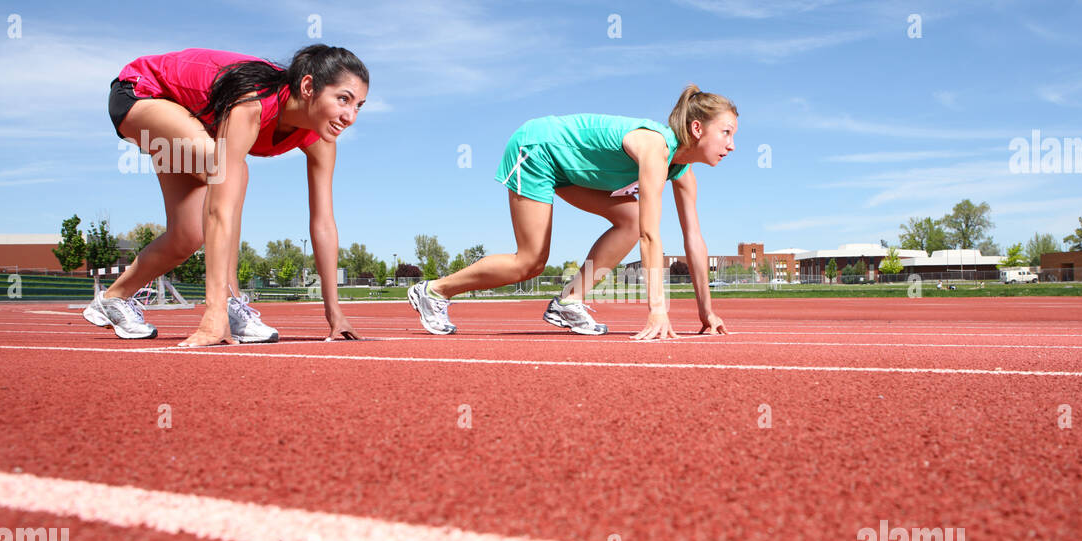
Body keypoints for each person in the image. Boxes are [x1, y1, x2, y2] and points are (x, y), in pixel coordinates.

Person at [87, 46, 367, 347]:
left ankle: (113, 299)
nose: (349, 117)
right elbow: (221, 207)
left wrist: (334, 313)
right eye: (343, 99)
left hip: (190, 116)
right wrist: (214, 315)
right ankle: (228, 307)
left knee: (187, 235)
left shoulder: (321, 137)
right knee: (229, 173)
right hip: (142, 93)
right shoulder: (252, 104)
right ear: (308, 87)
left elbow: (323, 222)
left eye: (359, 106)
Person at [407, 86, 736, 340]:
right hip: (537, 149)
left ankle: (568, 302)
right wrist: (657, 311)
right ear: (697, 128)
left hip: (571, 171)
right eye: (726, 132)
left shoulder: (682, 172)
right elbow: (652, 235)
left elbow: (694, 240)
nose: (731, 144)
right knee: (530, 261)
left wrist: (706, 313)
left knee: (631, 219)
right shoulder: (655, 148)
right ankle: (434, 291)